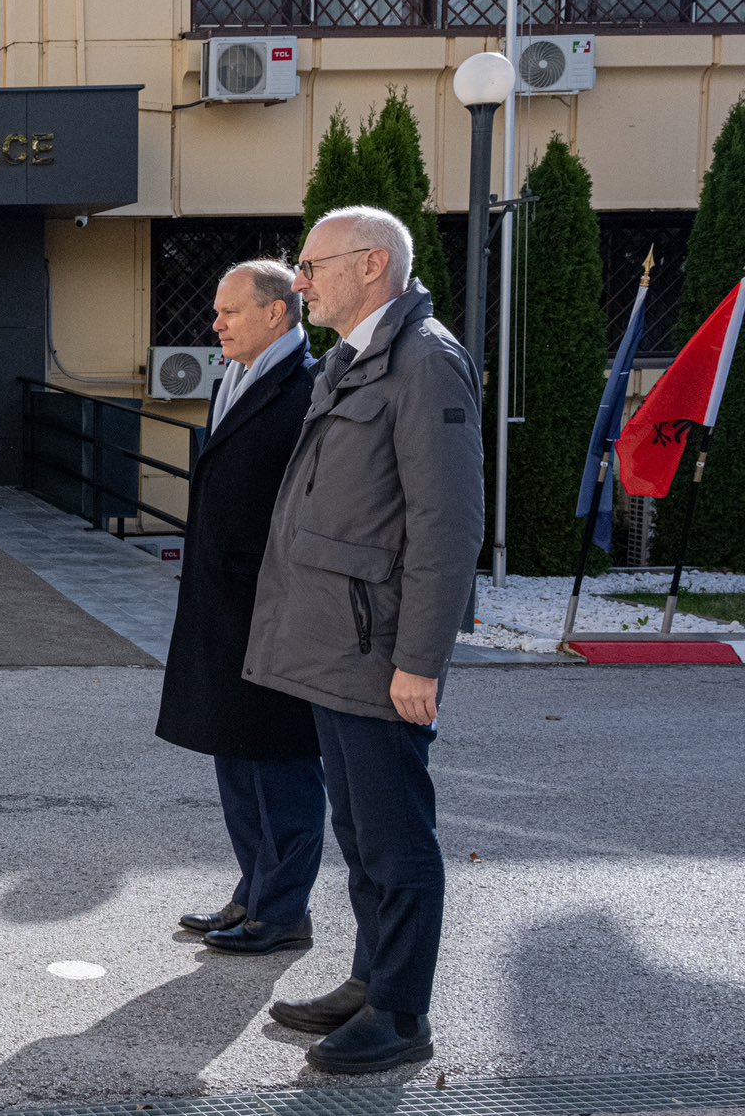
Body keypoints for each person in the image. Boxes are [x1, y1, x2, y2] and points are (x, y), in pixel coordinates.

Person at [246, 206, 484, 1074]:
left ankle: (402, 1013)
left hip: (381, 651)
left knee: (395, 836)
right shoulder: (359, 357)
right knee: (356, 827)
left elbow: (448, 525)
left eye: (312, 265)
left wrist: (421, 658)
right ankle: (369, 977)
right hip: (335, 644)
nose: (300, 281)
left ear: (372, 264)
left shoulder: (425, 364)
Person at [154, 261, 322, 956]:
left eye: (228, 312)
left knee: (279, 757)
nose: (214, 324)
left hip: (272, 603)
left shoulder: (308, 387)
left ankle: (283, 911)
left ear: (277, 313)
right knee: (234, 750)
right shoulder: (236, 374)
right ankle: (252, 892)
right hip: (223, 600)